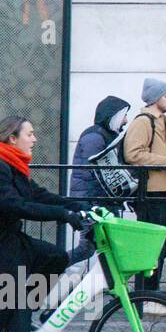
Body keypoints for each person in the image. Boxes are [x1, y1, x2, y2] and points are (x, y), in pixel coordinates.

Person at [0, 116, 90, 332]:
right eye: (30, 133)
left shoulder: (15, 166)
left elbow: (39, 195)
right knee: (17, 301)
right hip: (2, 244)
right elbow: (16, 206)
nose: (35, 138)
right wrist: (64, 216)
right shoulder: (1, 167)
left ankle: (16, 321)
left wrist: (77, 205)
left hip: (12, 239)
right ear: (12, 138)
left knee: (56, 257)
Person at [123, 79, 166, 308]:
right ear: (156, 98)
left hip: (160, 191)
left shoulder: (160, 122)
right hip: (149, 193)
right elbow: (133, 154)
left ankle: (147, 291)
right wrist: (165, 161)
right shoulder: (144, 121)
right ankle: (146, 296)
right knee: (153, 246)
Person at [68, 95, 130, 264]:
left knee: (95, 248)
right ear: (113, 116)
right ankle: (56, 262)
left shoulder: (103, 135)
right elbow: (97, 171)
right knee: (89, 248)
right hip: (92, 202)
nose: (125, 120)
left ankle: (110, 285)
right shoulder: (95, 137)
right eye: (123, 116)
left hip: (98, 201)